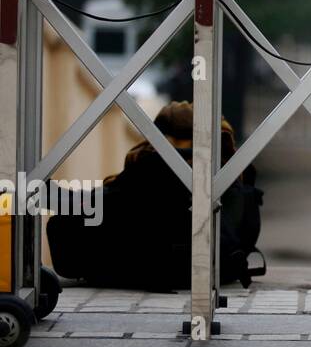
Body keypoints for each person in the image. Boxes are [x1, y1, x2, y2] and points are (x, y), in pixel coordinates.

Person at [46, 101, 264, 291]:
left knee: (92, 208)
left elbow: (116, 197)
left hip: (159, 264)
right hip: (216, 268)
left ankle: (69, 200)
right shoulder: (230, 170)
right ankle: (70, 200)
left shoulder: (152, 166)